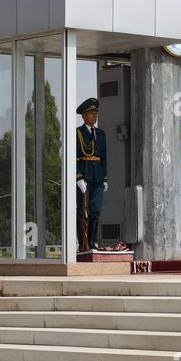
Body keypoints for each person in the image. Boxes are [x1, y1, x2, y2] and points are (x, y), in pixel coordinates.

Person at [75, 97, 107, 251]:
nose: (95, 116)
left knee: (95, 210)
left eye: (96, 113)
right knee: (82, 211)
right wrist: (78, 177)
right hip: (85, 176)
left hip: (98, 177)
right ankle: (83, 243)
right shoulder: (78, 133)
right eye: (91, 113)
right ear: (84, 116)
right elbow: (75, 157)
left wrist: (105, 178)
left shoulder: (101, 134)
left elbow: (104, 157)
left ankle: (92, 241)